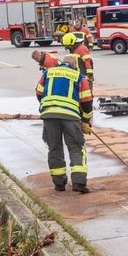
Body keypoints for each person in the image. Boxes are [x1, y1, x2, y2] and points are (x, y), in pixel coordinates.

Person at [36, 54, 94, 193]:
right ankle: (79, 183)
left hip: (49, 116)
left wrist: (48, 105)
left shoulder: (48, 73)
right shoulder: (79, 77)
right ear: (75, 66)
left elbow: (38, 93)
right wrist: (85, 121)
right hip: (70, 117)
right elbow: (87, 102)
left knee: (54, 148)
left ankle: (59, 183)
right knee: (76, 147)